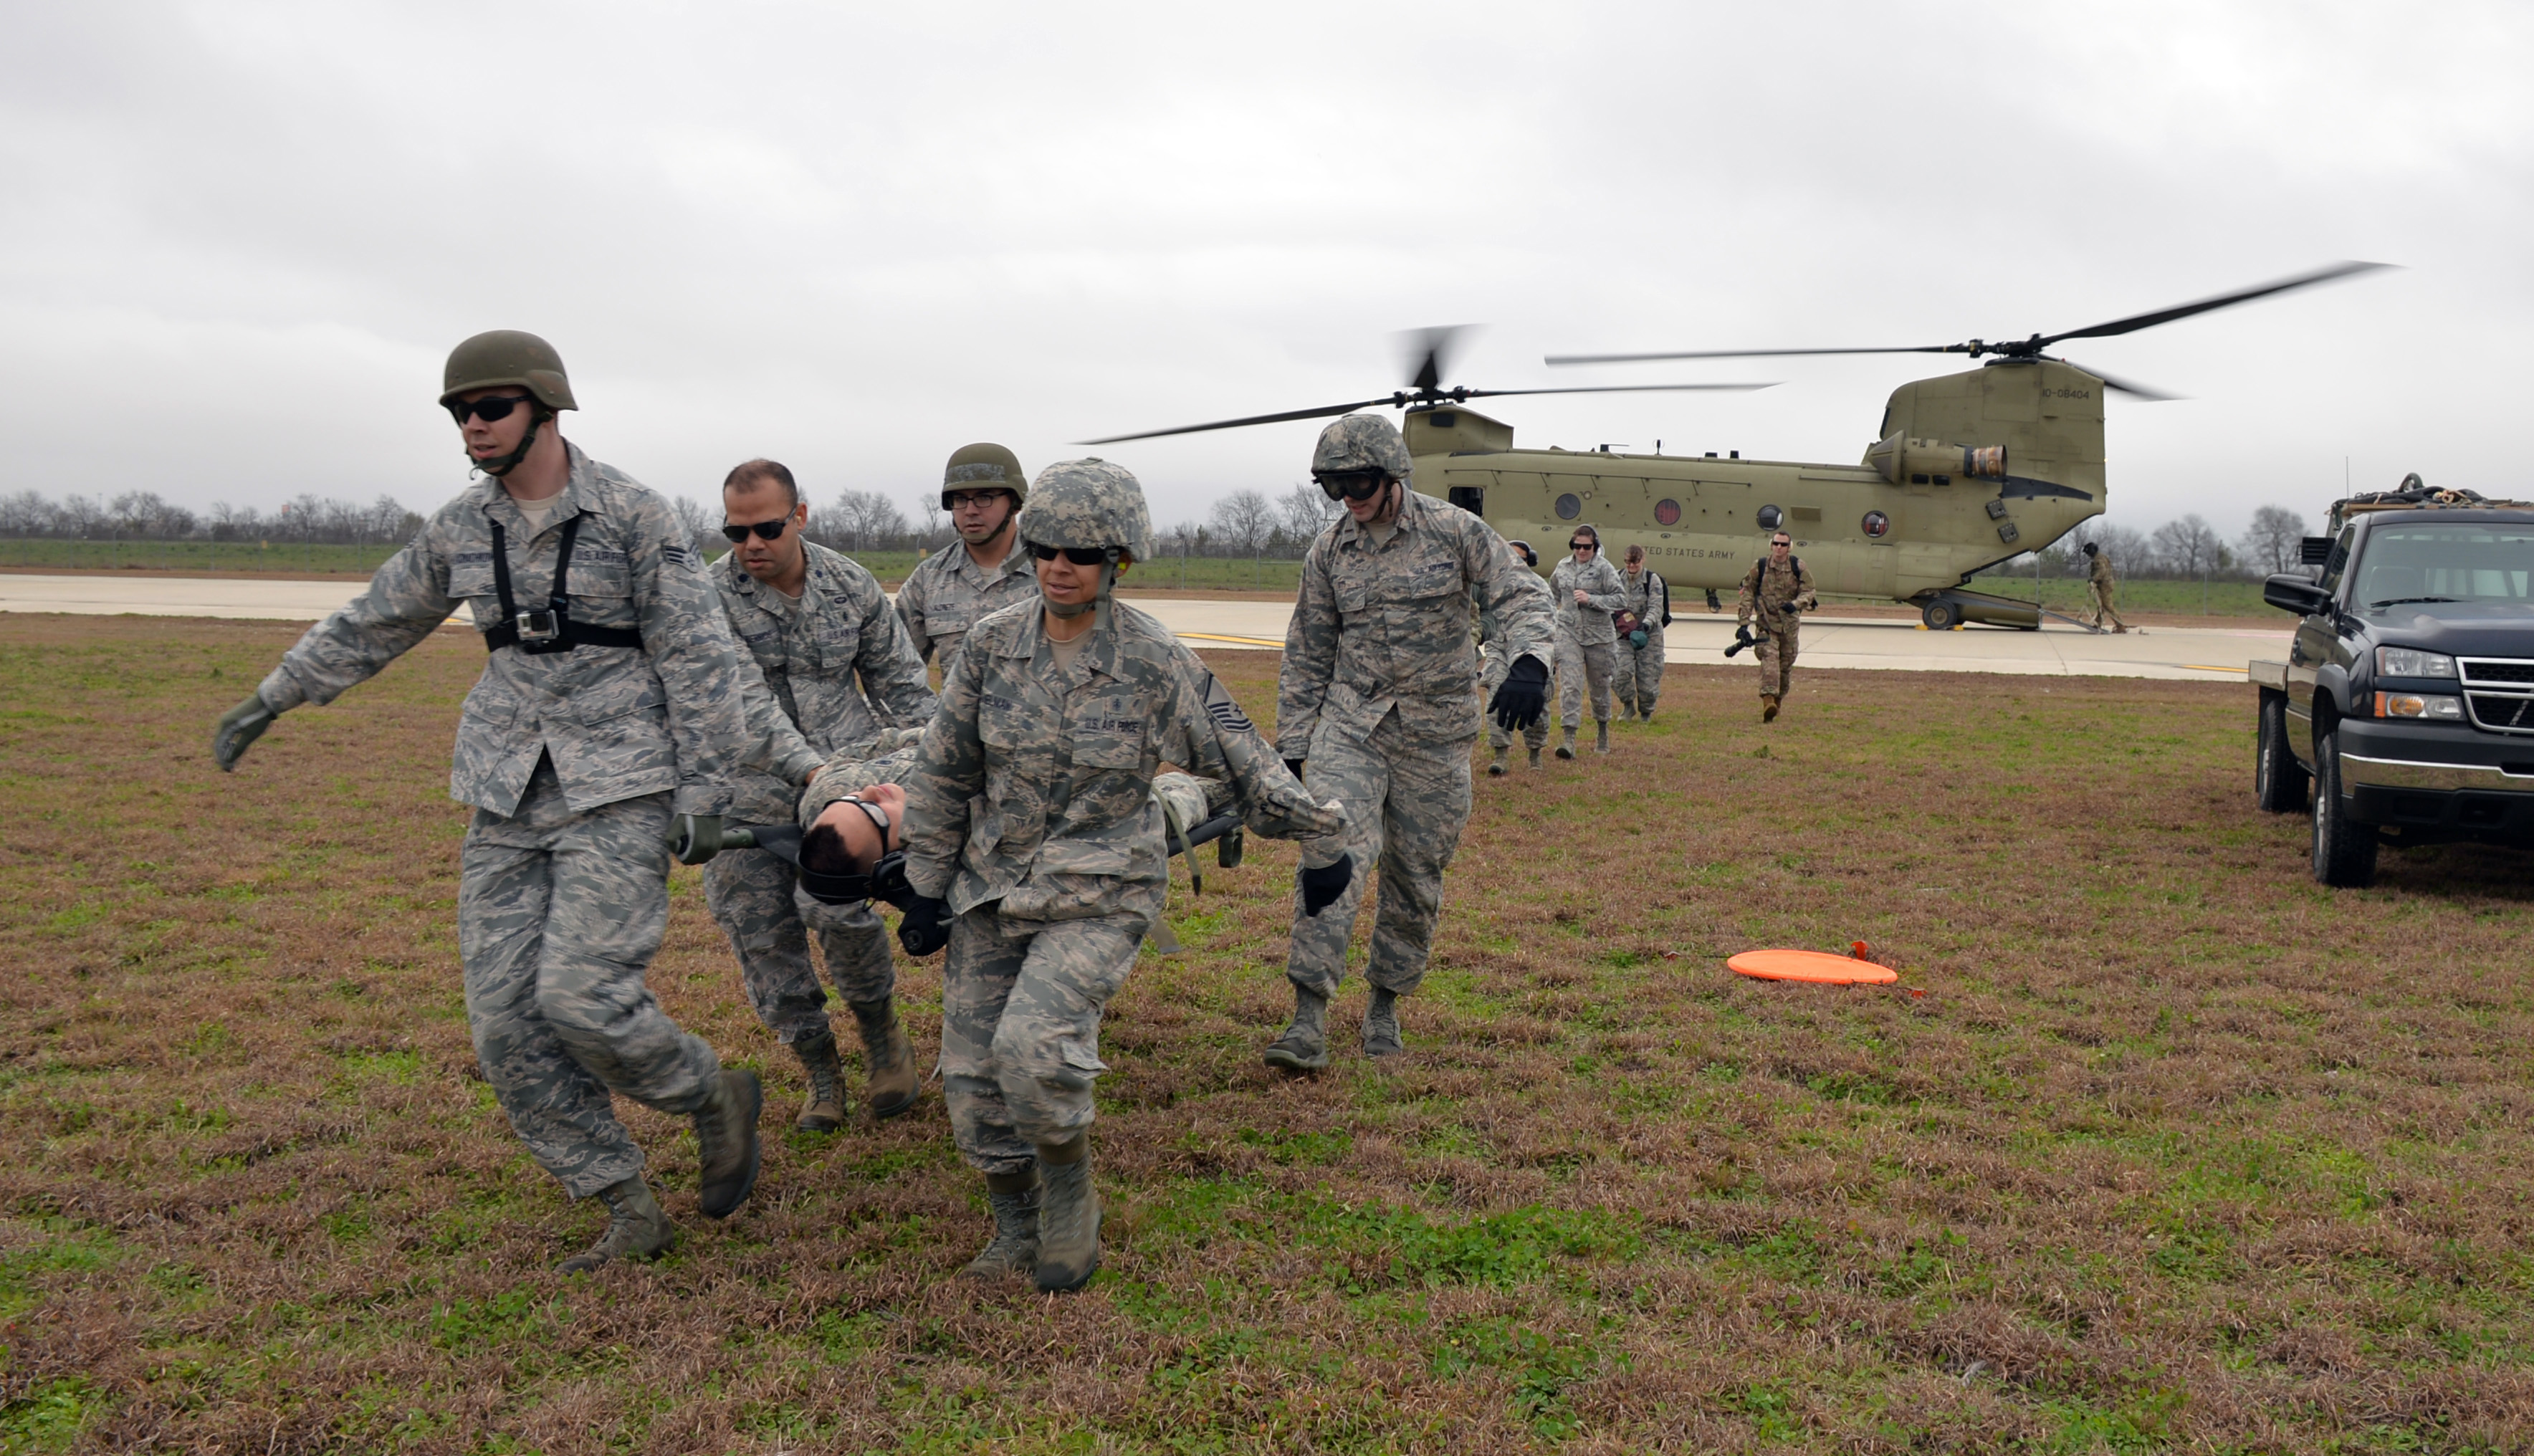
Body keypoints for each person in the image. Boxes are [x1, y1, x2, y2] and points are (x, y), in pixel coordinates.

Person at [207, 330, 762, 1275]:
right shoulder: (463, 527)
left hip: (620, 790)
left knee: (581, 999)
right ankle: (625, 1202)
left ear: (545, 408)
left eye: (491, 407)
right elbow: (380, 615)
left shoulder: (633, 515)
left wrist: (706, 793)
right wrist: (277, 692)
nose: (472, 423)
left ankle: (709, 1094)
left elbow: (700, 657)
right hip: (507, 792)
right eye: (460, 410)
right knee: (506, 1024)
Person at [894, 459, 1346, 1292]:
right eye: (1046, 549)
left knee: (1032, 1049)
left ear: (1118, 561)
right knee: (970, 1075)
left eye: (1084, 552)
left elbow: (1240, 754)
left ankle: (1067, 1185)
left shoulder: (1151, 658)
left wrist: (1322, 838)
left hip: (1100, 892)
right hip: (993, 888)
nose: (1060, 566)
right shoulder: (992, 647)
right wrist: (925, 885)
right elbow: (941, 772)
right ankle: (1012, 1221)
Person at [1271, 413, 1554, 1070]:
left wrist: (1530, 662)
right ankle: (1307, 1018)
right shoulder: (1330, 551)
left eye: (1360, 481)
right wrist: (1292, 745)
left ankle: (1384, 1007)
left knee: (1415, 875)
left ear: (1392, 474)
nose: (1349, 497)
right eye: (1334, 486)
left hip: (1436, 735)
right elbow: (1308, 649)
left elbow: (1519, 597)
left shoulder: (1455, 532)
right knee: (1329, 856)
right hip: (1352, 729)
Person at [705, 459, 938, 1133]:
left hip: (845, 783)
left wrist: (929, 761)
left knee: (837, 914)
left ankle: (881, 1038)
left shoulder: (848, 584)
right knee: (764, 938)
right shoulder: (708, 599)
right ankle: (820, 1072)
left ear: (799, 517)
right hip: (747, 793)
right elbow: (743, 704)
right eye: (736, 532)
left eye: (768, 528)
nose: (751, 545)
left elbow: (902, 687)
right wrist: (813, 776)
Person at [895, 444, 1040, 672]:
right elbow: (899, 673)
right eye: (960, 499)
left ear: (1016, 503)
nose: (970, 510)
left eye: (984, 497)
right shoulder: (928, 579)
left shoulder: (1050, 569)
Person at [1547, 524, 1626, 757]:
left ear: (1595, 547)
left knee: (1599, 690)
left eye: (1587, 547)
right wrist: (1550, 618)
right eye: (1577, 546)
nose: (1581, 551)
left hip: (1599, 638)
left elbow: (1620, 599)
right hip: (1568, 634)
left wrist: (1592, 599)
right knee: (1570, 686)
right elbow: (1551, 595)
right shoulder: (1562, 567)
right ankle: (1568, 739)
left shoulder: (1604, 569)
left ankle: (1602, 731)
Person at [1482, 540, 1555, 775]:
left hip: (1529, 652)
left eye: (1520, 559)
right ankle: (1501, 754)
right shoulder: (1488, 585)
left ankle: (1535, 753)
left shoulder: (1537, 587)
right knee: (1496, 695)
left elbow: (1545, 625)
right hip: (1499, 650)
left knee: (1535, 701)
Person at [1736, 530, 1817, 723]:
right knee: (1770, 662)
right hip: (1766, 624)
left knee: (1785, 667)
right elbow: (1748, 593)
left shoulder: (1798, 566)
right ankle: (1768, 701)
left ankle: (1777, 703)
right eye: (1776, 544)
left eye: (1783, 545)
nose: (1779, 548)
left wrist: (1796, 605)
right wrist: (1743, 624)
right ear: (1771, 545)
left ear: (1789, 547)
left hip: (1789, 626)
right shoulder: (1760, 566)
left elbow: (1809, 591)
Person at [1615, 544, 1669, 722]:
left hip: (1649, 635)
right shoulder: (1616, 578)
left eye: (1635, 563)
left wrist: (1645, 625)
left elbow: (1656, 607)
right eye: (1628, 563)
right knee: (1618, 673)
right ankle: (1628, 705)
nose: (1631, 567)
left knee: (1648, 679)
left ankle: (1646, 713)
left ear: (1642, 560)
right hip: (1623, 635)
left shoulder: (1653, 580)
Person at [2084, 540, 2129, 633]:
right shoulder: (2102, 557)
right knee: (2101, 606)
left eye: (2088, 552)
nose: (2088, 555)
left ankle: (2121, 626)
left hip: (2105, 584)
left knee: (2108, 606)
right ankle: (2098, 624)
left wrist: (2093, 579)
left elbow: (2102, 571)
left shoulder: (2098, 559)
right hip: (2105, 583)